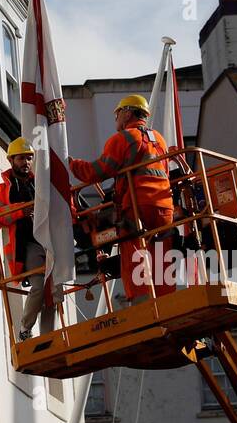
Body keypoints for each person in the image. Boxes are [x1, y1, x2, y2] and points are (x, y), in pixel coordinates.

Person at [68, 95, 176, 304]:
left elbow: (98, 171)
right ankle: (167, 304)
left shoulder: (124, 138)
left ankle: (142, 305)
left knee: (134, 256)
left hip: (137, 207)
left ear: (127, 112)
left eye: (117, 114)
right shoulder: (159, 139)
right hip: (164, 207)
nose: (116, 119)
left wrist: (72, 165)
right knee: (161, 256)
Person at [0, 137, 56, 339]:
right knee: (39, 286)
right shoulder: (2, 190)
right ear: (11, 160)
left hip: (46, 241)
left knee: (54, 291)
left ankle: (50, 336)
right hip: (25, 244)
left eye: (29, 158)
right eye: (22, 158)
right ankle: (25, 328)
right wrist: (20, 211)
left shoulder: (39, 185)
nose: (27, 163)